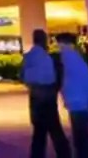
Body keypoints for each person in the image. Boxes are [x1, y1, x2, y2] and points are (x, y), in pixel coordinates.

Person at [57, 32, 88, 158]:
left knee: (81, 138)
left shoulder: (64, 59)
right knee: (84, 136)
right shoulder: (78, 59)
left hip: (76, 103)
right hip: (84, 102)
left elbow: (63, 81)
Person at [23, 29, 71, 158]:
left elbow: (25, 77)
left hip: (35, 97)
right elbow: (52, 78)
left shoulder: (28, 57)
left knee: (39, 132)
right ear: (43, 40)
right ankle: (64, 155)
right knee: (55, 129)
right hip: (47, 97)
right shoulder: (47, 58)